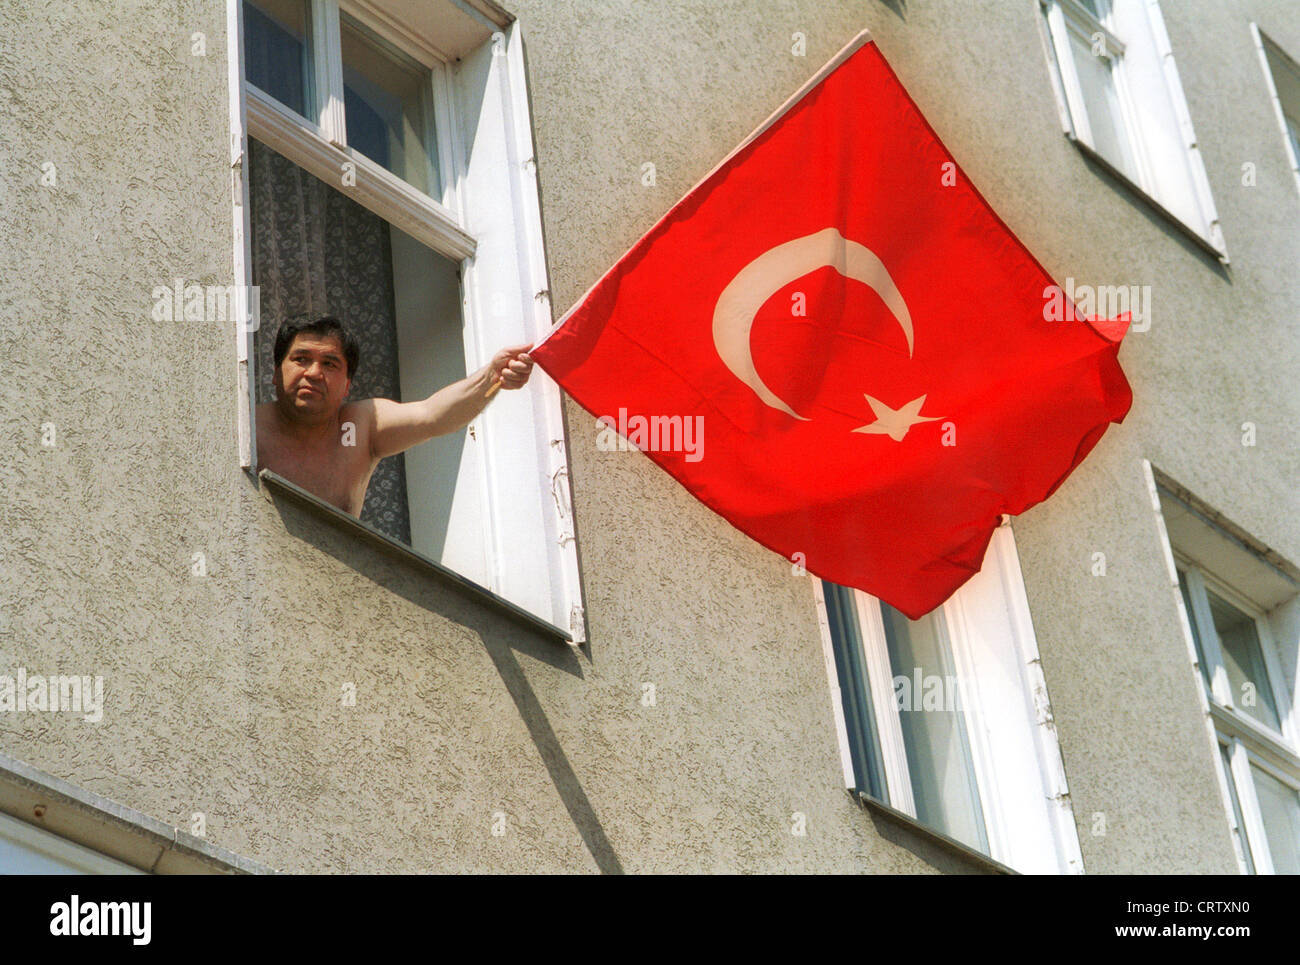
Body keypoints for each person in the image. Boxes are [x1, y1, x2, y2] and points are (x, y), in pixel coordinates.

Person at [255, 314, 534, 517]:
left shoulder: (357, 427)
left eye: (329, 364)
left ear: (346, 386)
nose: (314, 373)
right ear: (276, 373)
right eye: (301, 359)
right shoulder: (247, 428)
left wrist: (490, 378)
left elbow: (432, 415)